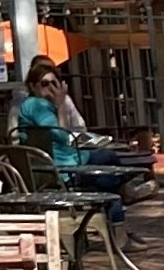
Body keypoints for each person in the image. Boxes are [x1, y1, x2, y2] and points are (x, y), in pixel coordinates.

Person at [16, 56, 150, 250]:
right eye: (45, 84)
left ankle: (121, 218)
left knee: (106, 171)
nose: (51, 89)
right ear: (34, 86)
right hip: (61, 171)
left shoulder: (30, 105)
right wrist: (61, 104)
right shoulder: (39, 105)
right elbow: (62, 136)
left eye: (55, 83)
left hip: (59, 164)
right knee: (108, 169)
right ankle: (123, 212)